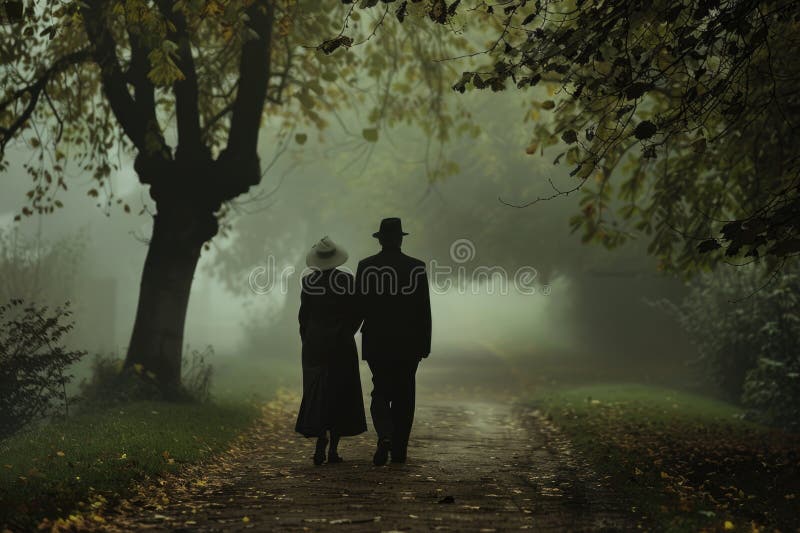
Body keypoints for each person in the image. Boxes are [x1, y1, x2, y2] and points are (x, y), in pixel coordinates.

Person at [355, 218, 432, 466]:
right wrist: (424, 345)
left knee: (381, 390)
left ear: (380, 239)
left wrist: (347, 333)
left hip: (377, 341)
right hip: (409, 343)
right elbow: (423, 310)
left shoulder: (366, 267)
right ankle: (399, 451)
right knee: (405, 395)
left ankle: (385, 434)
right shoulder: (416, 268)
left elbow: (360, 306)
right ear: (400, 239)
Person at [295, 236, 367, 465]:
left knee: (317, 392)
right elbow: (358, 312)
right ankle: (334, 449)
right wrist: (346, 333)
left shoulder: (309, 283)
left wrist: (308, 339)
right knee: (340, 392)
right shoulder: (347, 281)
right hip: (341, 344)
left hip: (315, 345)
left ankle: (320, 437)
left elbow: (303, 318)